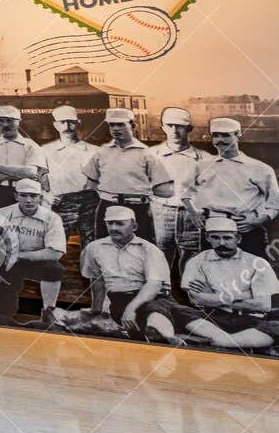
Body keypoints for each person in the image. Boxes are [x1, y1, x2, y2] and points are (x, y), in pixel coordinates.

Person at [179, 216, 279, 352]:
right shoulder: (197, 261)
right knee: (178, 311)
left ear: (238, 239)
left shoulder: (257, 263)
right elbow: (197, 298)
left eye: (227, 238)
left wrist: (214, 296)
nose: (222, 243)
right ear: (207, 238)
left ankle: (221, 342)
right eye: (215, 237)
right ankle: (239, 343)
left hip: (250, 320)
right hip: (213, 319)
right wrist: (247, 295)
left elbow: (263, 305)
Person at [79, 205, 187, 344]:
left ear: (134, 226)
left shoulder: (148, 249)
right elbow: (97, 281)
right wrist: (96, 310)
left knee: (184, 316)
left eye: (120, 224)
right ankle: (166, 336)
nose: (113, 228)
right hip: (120, 299)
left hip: (153, 297)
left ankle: (169, 337)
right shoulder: (94, 248)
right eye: (110, 223)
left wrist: (131, 309)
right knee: (143, 317)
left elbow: (154, 285)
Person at [186, 117, 279, 257]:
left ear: (238, 135)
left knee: (254, 273)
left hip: (246, 229)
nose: (220, 140)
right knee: (213, 272)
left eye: (226, 135)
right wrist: (193, 212)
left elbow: (275, 202)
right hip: (213, 228)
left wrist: (257, 221)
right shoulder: (202, 166)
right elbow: (185, 192)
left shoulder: (259, 168)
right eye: (215, 135)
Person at [0, 178, 65, 324]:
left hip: (34, 260)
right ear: (16, 196)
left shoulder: (52, 218)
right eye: (24, 195)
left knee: (54, 269)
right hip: (6, 262)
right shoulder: (1, 214)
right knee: (3, 310)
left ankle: (49, 310)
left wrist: (20, 255)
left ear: (40, 198)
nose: (29, 200)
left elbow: (55, 253)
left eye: (33, 196)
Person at [38, 104, 100, 316]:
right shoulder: (46, 151)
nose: (67, 125)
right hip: (60, 203)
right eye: (63, 121)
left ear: (78, 123)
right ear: (55, 125)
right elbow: (42, 179)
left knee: (92, 250)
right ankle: (48, 306)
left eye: (71, 121)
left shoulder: (92, 150)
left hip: (89, 202)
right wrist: (49, 199)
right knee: (54, 250)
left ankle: (97, 306)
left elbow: (98, 178)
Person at [92, 107, 173, 243]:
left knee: (141, 248)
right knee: (104, 247)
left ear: (133, 126)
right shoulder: (102, 152)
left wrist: (141, 194)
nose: (116, 129)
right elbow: (90, 181)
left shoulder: (147, 154)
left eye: (121, 124)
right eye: (112, 125)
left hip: (137, 208)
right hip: (107, 206)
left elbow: (166, 190)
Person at [151, 106, 211, 276]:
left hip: (191, 214)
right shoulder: (150, 155)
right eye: (169, 125)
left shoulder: (204, 158)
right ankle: (160, 297)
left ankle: (192, 298)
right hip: (160, 212)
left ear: (189, 129)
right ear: (163, 127)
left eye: (180, 126)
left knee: (192, 256)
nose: (175, 131)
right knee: (160, 255)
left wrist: (200, 211)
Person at [0, 105, 47, 215]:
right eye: (1, 121)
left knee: (20, 228)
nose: (5, 125)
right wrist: (14, 175)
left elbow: (30, 172)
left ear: (19, 122)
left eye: (10, 121)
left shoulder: (31, 146)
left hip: (23, 193)